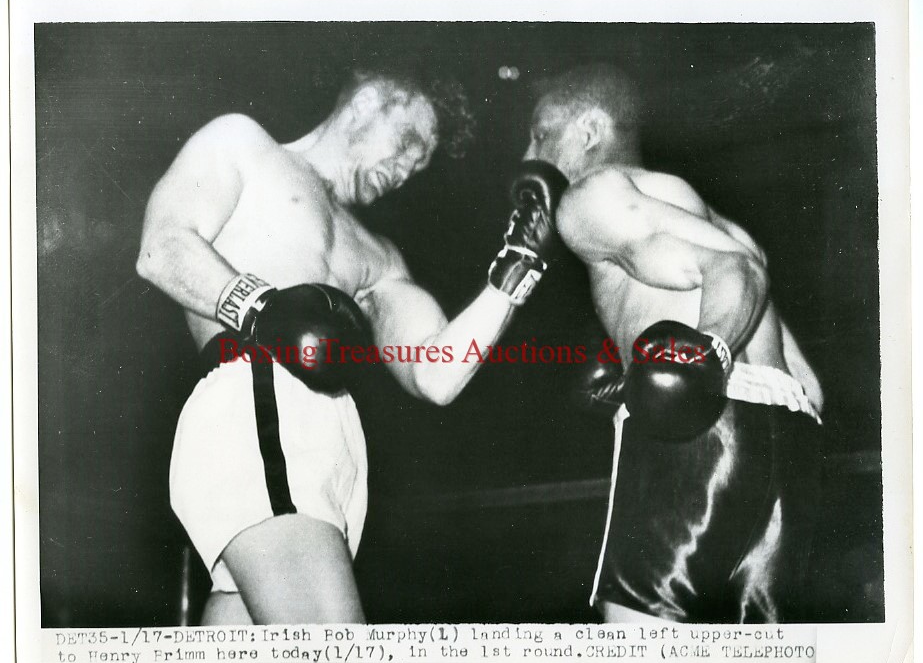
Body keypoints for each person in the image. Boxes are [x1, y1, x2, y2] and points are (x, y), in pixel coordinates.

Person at [137, 67, 567, 625]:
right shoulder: (244, 143)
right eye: (411, 141)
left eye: (422, 162)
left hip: (332, 446)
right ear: (367, 103)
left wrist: (518, 265)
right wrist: (261, 308)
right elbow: (163, 248)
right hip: (260, 403)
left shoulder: (377, 254)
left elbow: (435, 372)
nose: (410, 167)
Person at [523, 64, 825, 624]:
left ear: (589, 129)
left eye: (541, 133)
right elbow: (808, 386)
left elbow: (734, 272)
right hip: (788, 453)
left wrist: (704, 358)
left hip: (700, 431)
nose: (529, 154)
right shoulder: (720, 220)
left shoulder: (591, 196)